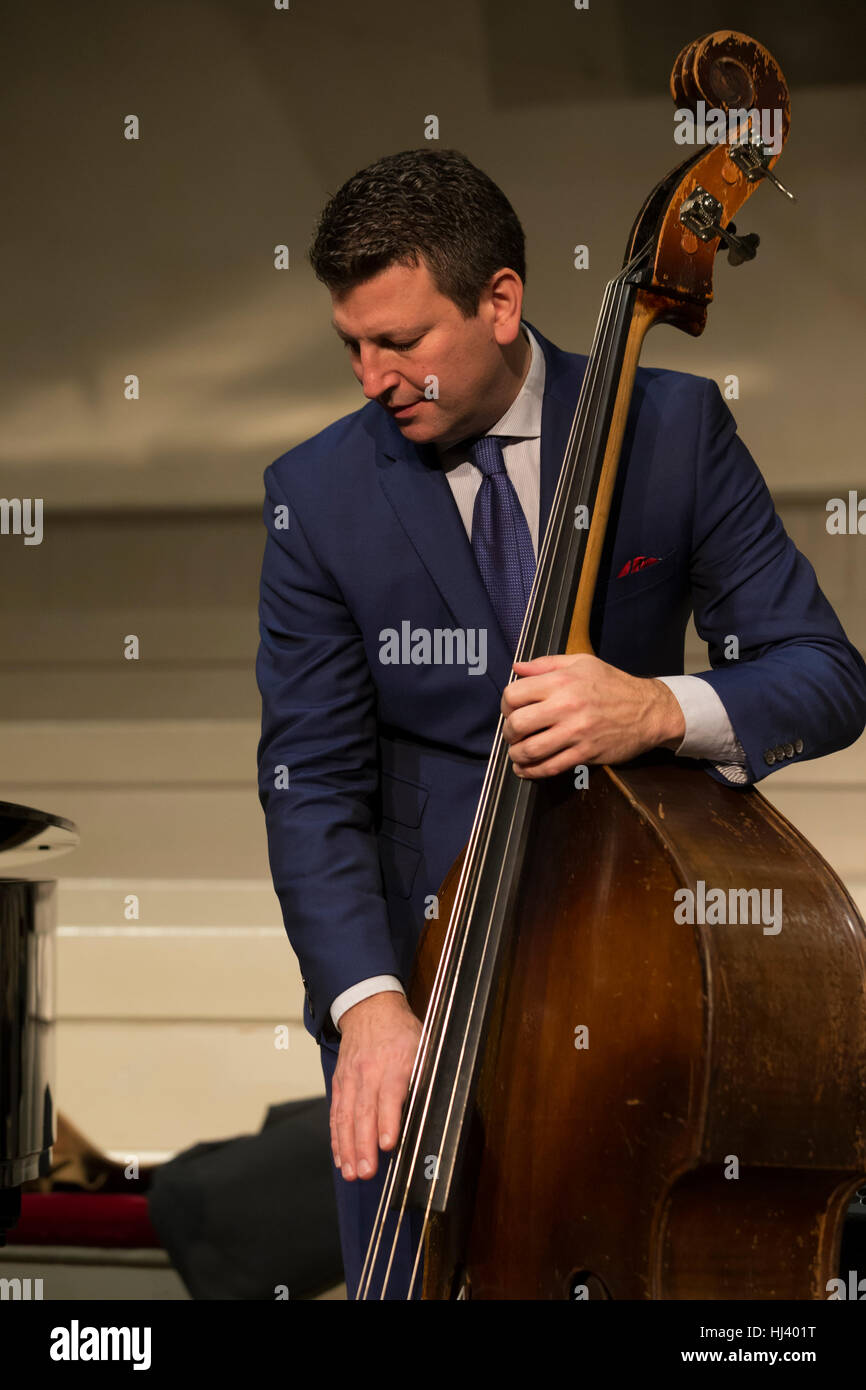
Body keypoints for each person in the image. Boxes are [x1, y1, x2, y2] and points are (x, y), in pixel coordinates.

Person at [255, 148, 866, 1299]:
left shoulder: (669, 428)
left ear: (499, 302)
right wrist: (367, 1003)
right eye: (351, 344)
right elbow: (311, 782)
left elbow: (822, 674)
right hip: (420, 991)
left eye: (402, 341)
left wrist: (654, 706)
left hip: (627, 962)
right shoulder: (317, 496)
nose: (372, 377)